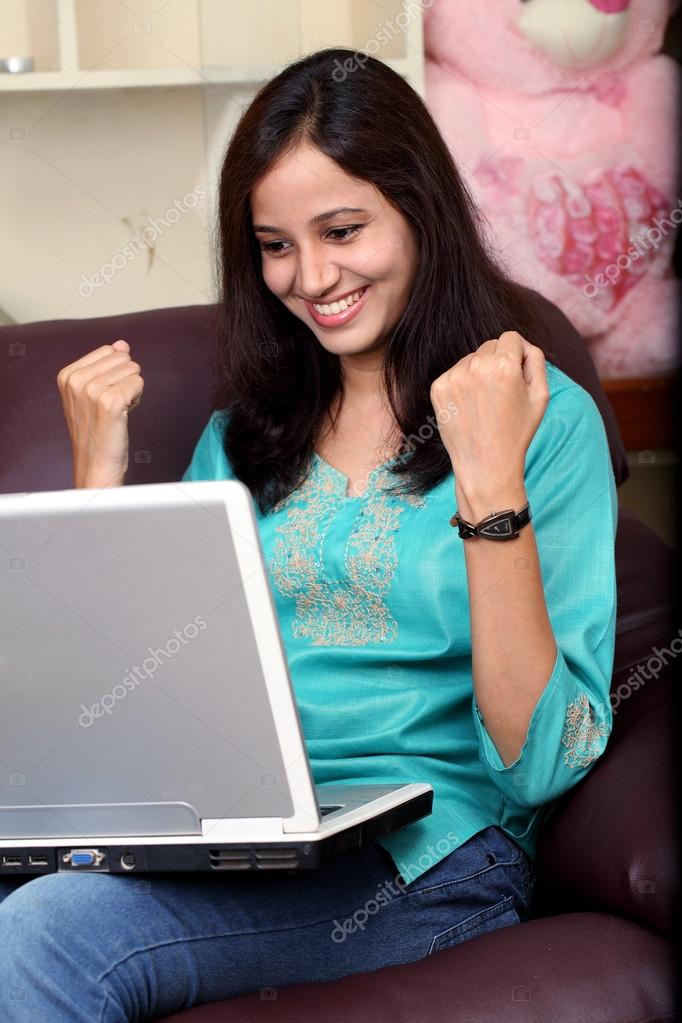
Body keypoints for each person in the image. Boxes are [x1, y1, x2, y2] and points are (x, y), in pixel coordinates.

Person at [0, 47, 618, 1022]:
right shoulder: (241, 437)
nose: (310, 276)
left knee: (43, 940)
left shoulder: (545, 420)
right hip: (248, 833)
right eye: (275, 244)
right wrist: (97, 487)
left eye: (341, 230)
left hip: (431, 856)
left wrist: (489, 481)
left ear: (418, 211)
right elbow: (136, 724)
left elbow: (541, 763)